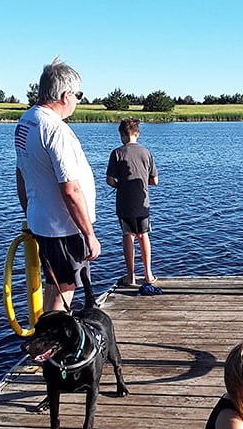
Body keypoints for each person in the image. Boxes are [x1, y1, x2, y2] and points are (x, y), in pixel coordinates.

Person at [15, 57, 99, 311]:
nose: (77, 101)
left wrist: (29, 212)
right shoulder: (55, 130)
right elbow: (70, 189)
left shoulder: (26, 122)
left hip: (42, 221)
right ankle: (54, 348)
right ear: (65, 95)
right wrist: (89, 234)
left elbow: (21, 173)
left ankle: (46, 343)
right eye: (78, 95)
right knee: (65, 288)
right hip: (63, 228)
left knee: (54, 284)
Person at [106, 117, 159, 287]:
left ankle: (131, 277)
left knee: (128, 236)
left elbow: (109, 180)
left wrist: (119, 184)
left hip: (124, 204)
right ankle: (148, 274)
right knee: (144, 235)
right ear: (138, 133)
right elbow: (155, 181)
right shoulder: (146, 153)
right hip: (143, 203)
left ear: (122, 134)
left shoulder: (117, 153)